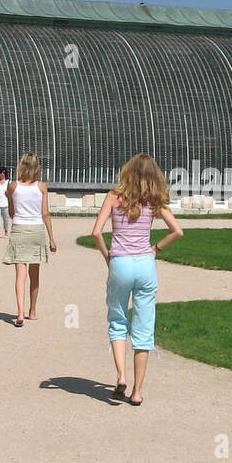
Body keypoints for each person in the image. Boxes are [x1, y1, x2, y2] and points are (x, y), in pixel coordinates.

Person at [91, 154, 184, 406]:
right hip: (145, 263)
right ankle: (137, 391)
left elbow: (96, 232)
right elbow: (177, 231)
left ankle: (121, 375)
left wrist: (108, 256)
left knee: (118, 320)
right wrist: (156, 248)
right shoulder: (154, 201)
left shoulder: (114, 196)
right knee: (143, 327)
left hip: (120, 262)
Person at [2, 152, 57, 325]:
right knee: (35, 274)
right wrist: (52, 239)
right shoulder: (42, 187)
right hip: (36, 230)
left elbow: (11, 213)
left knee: (20, 274)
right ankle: (32, 311)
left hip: (19, 228)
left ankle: (19, 312)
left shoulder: (12, 186)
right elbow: (45, 213)